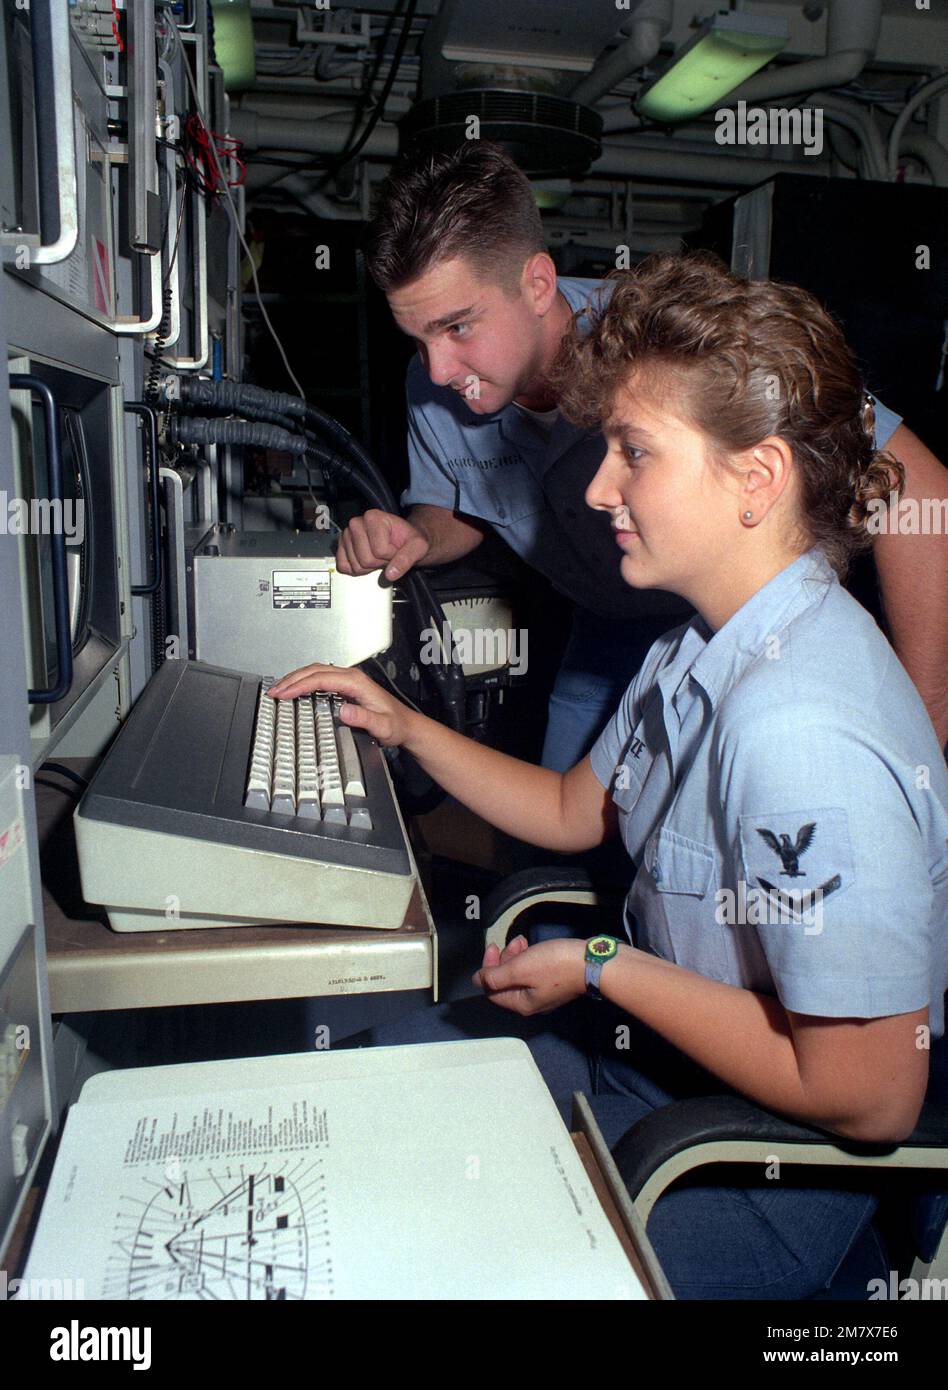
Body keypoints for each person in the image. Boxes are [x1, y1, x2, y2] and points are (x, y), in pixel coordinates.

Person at [270, 253, 948, 1299]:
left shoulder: (805, 728)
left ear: (755, 481)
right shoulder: (702, 647)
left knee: (390, 1261)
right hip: (641, 1077)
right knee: (332, 1096)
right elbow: (568, 806)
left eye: (634, 453)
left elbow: (869, 1094)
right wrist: (403, 727)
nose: (596, 489)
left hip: (737, 1169)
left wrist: (599, 964)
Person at [340, 142, 947, 757]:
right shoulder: (433, 383)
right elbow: (458, 508)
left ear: (538, 284)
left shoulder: (655, 340)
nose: (437, 369)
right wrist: (418, 536)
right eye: (416, 337)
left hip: (741, 627)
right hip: (606, 635)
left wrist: (916, 730)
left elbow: (921, 491)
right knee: (573, 834)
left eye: (458, 326)